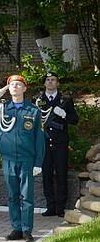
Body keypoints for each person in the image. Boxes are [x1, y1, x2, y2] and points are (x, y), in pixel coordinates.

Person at [0, 75, 45, 242]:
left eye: (18, 84)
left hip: (26, 159)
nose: (14, 87)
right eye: (11, 85)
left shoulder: (33, 111)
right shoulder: (1, 109)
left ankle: (27, 230)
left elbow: (39, 139)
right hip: (8, 159)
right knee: (12, 196)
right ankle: (17, 228)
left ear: (24, 88)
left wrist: (38, 162)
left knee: (26, 196)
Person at [35, 71, 79, 217]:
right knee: (46, 176)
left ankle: (60, 208)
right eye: (47, 80)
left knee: (61, 175)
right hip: (44, 143)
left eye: (53, 80)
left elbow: (75, 120)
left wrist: (65, 115)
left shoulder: (65, 100)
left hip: (60, 143)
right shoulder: (37, 100)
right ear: (44, 83)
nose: (50, 82)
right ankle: (51, 207)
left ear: (57, 83)